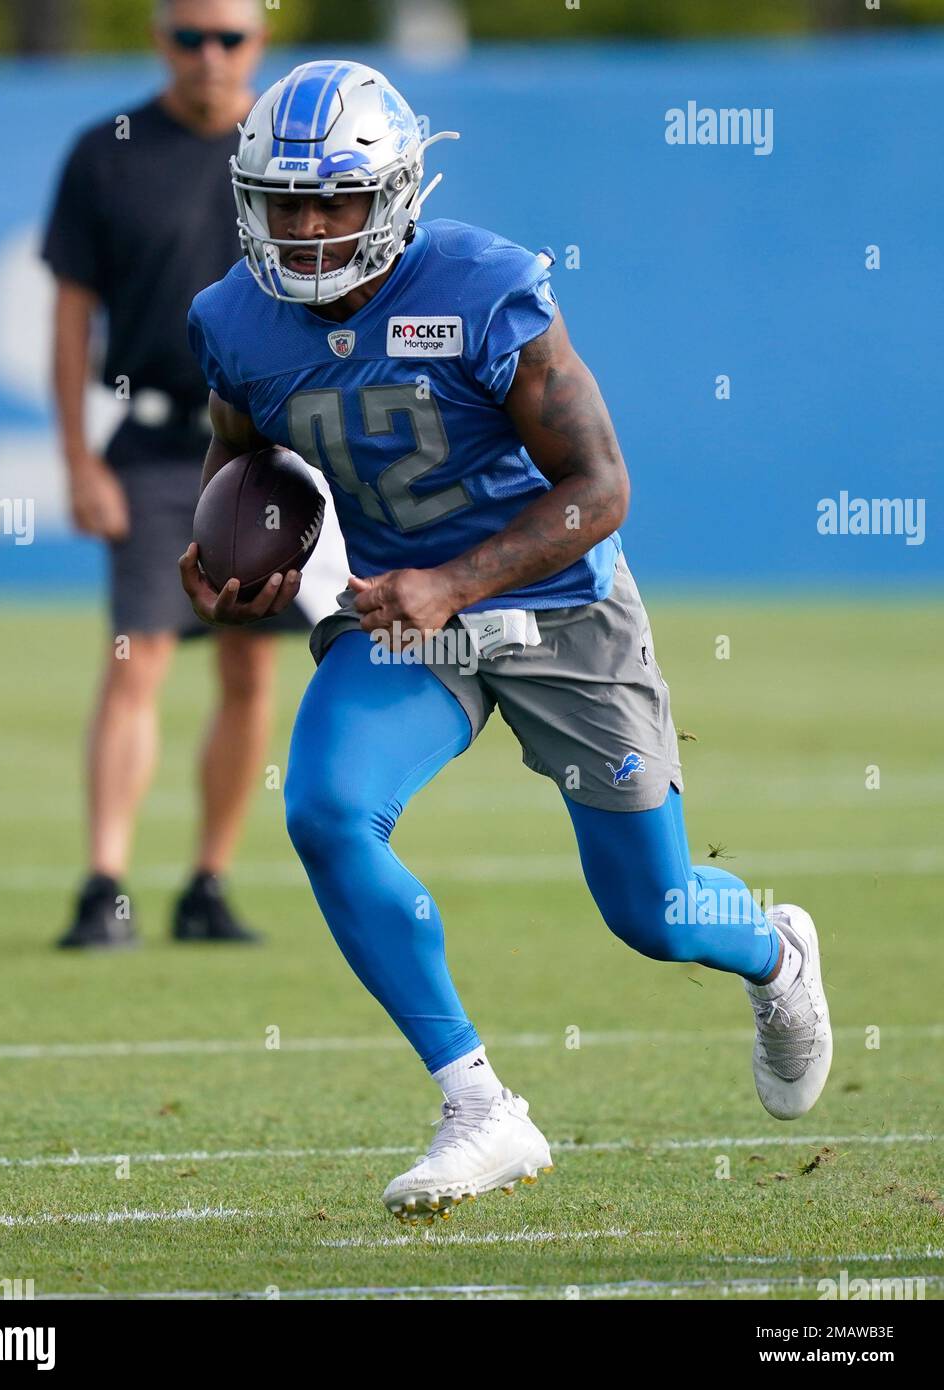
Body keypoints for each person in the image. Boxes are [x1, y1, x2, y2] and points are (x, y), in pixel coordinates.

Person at [181, 60, 833, 1222]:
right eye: (287, 202)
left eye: (335, 200)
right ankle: (478, 1104)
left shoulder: (485, 288)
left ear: (395, 193)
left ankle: (775, 955)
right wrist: (237, 561)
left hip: (557, 606)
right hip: (401, 612)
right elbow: (250, 463)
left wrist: (456, 579)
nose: (311, 227)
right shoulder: (234, 320)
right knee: (324, 809)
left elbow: (599, 485)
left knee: (654, 913)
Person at [41, 2, 345, 949]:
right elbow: (70, 317)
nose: (209, 57)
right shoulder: (108, 152)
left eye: (230, 37)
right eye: (189, 36)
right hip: (159, 439)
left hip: (275, 448)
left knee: (254, 669)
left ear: (261, 39)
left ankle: (207, 884)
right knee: (139, 657)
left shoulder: (297, 154)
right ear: (158, 37)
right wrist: (78, 456)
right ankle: (106, 884)